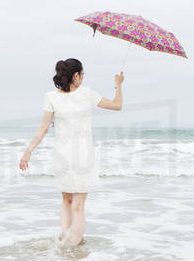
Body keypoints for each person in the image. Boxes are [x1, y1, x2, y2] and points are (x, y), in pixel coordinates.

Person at [19, 57, 123, 247]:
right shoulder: (88, 94)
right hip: (83, 156)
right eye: (82, 74)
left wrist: (28, 151)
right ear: (75, 75)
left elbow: (43, 128)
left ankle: (64, 244)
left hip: (62, 156)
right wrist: (118, 85)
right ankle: (73, 248)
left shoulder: (51, 97)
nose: (83, 78)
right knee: (78, 206)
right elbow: (117, 106)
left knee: (66, 201)